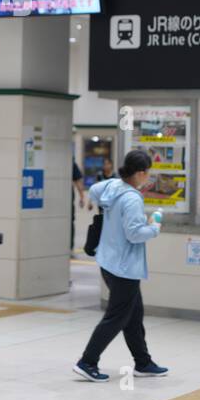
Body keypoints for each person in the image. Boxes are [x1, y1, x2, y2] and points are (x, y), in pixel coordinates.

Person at [74, 150, 167, 382]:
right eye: (147, 173)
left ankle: (143, 362)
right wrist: (154, 227)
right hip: (124, 266)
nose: (148, 177)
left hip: (109, 260)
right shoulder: (132, 197)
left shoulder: (112, 187)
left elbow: (94, 191)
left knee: (134, 315)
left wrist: (116, 181)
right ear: (140, 173)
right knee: (116, 317)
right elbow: (135, 234)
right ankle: (87, 361)